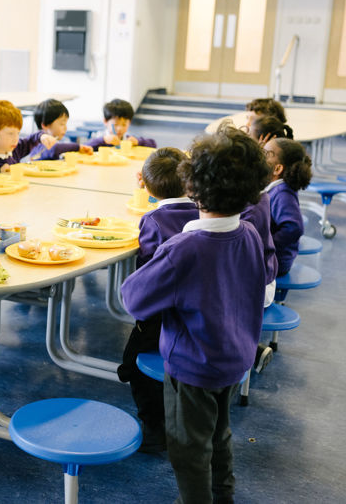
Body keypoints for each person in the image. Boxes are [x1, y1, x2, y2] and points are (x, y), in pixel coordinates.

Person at [121, 124, 271, 503]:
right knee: (219, 435)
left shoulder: (184, 247)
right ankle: (224, 496)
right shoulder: (250, 233)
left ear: (192, 187)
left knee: (188, 451)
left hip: (192, 368)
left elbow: (133, 299)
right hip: (235, 357)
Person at [116, 147, 198, 454]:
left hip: (162, 312)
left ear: (146, 186)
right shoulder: (199, 210)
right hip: (195, 306)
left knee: (134, 361)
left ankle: (154, 429)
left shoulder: (153, 218)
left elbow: (148, 268)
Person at [265, 137, 313, 277]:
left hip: (277, 262)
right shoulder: (275, 188)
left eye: (266, 154)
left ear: (277, 168)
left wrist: (267, 245)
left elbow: (294, 227)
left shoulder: (282, 192)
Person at [0, 100, 56, 172]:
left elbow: (31, 139)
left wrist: (42, 137)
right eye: (10, 134)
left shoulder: (14, 149)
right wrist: (0, 175)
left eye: (18, 133)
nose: (16, 139)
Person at [28, 98, 93, 160]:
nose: (65, 128)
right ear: (45, 125)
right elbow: (55, 149)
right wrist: (78, 147)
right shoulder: (38, 143)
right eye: (62, 124)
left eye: (65, 124)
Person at [86, 98, 157, 150]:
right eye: (116, 124)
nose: (120, 128)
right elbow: (84, 147)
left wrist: (138, 141)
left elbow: (153, 144)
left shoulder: (127, 138)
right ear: (106, 122)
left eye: (124, 124)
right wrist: (103, 140)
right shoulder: (99, 137)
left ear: (129, 123)